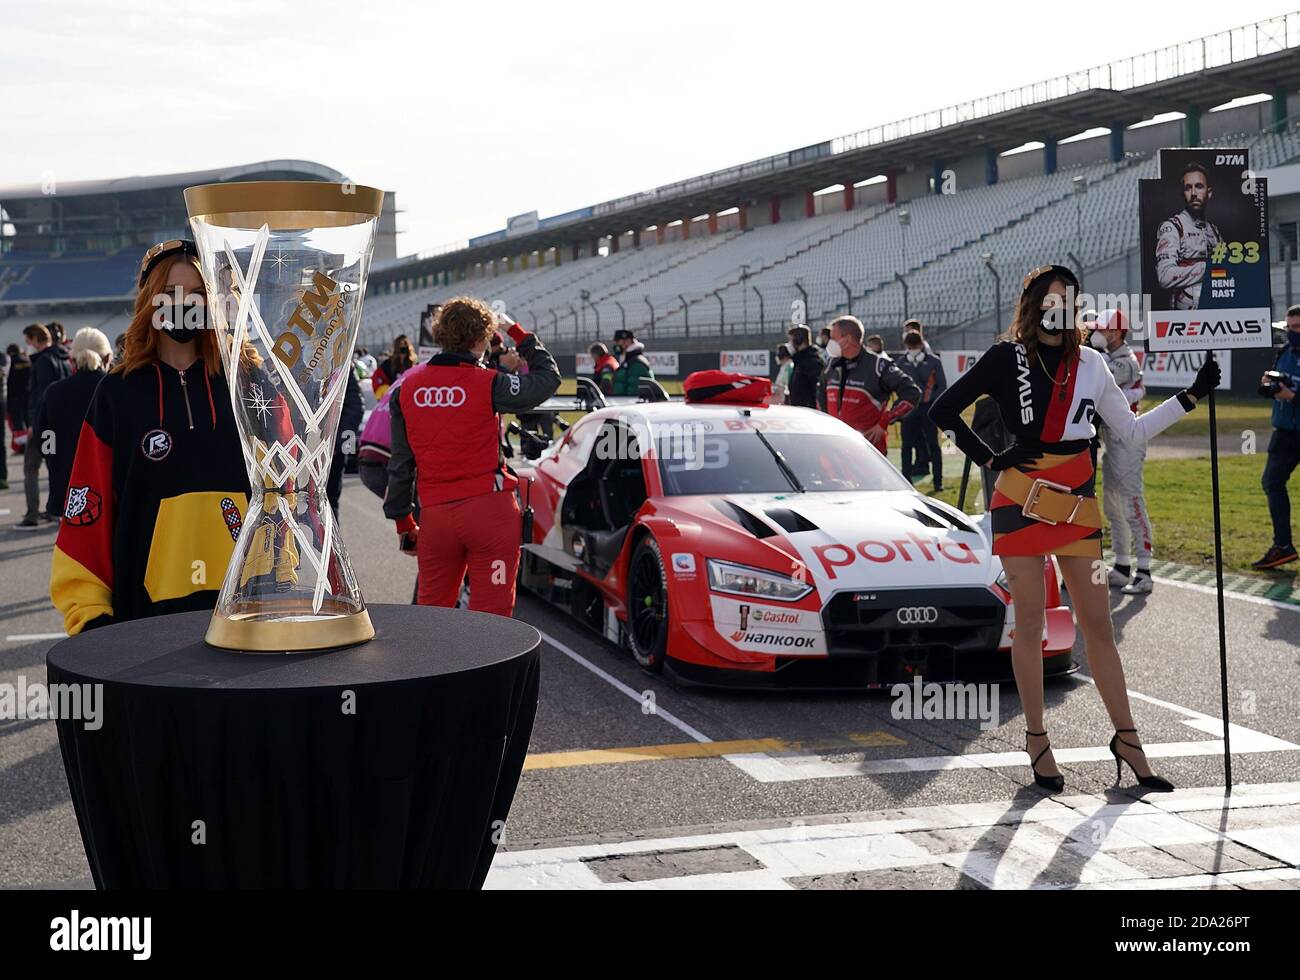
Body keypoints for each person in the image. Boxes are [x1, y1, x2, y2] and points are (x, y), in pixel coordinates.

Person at [929, 264, 1220, 794]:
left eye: (1067, 298)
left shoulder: (1090, 362)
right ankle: (1037, 740)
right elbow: (943, 410)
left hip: (1076, 509)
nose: (1057, 306)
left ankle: (1128, 740)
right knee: (1031, 621)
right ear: (1033, 303)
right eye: (1048, 297)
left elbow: (1129, 432)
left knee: (1098, 627)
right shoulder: (1005, 357)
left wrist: (1190, 397)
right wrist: (991, 454)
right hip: (1019, 501)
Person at [50, 240, 254, 634]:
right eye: (172, 294)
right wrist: (90, 614)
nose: (186, 305)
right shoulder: (116, 393)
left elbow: (282, 494)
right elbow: (86, 506)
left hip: (244, 614)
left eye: (197, 294)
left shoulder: (243, 386)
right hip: (144, 623)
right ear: (151, 301)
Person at [384, 297, 560, 616]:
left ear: (440, 335)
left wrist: (403, 522)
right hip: (490, 511)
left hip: (435, 516)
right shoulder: (488, 383)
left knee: (432, 618)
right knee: (491, 622)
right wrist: (517, 332)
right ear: (481, 338)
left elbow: (400, 464)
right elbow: (547, 380)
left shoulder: (406, 388)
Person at [1089, 309, 1154, 593]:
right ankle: (1122, 566)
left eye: (1100, 329)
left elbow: (1096, 384)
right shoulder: (1113, 359)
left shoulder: (1123, 362)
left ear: (1115, 333)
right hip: (1113, 440)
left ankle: (1145, 571)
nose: (1094, 334)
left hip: (1128, 441)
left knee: (1132, 504)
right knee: (1113, 505)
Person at [39, 328, 112, 524]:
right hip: (111, 487)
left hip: (67, 488)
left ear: (72, 360)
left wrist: (55, 459)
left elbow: (44, 436)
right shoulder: (118, 389)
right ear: (107, 358)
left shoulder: (53, 392)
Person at [818, 315, 920, 454]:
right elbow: (821, 394)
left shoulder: (879, 365)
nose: (830, 343)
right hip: (835, 449)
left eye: (833, 338)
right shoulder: (831, 365)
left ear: (847, 339)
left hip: (868, 452)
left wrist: (883, 423)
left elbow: (912, 393)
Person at [1255, 304, 1300, 569]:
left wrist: (1293, 396)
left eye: (1298, 328)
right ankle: (1283, 546)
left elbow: (1292, 391)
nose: (1293, 332)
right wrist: (1269, 385)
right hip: (1284, 432)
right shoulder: (1283, 352)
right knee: (1272, 482)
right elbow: (1273, 384)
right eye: (1290, 327)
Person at [16, 323, 71, 529]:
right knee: (54, 466)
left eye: (28, 340)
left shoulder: (43, 361)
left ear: (35, 339)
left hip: (44, 425)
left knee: (31, 466)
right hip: (59, 424)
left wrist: (33, 423)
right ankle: (56, 509)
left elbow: (41, 395)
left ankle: (33, 514)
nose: (28, 345)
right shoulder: (63, 357)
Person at [1155, 161, 1222, 311]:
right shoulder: (1173, 227)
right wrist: (1207, 269)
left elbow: (1225, 270)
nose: (1193, 193)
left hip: (1214, 309)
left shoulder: (1214, 231)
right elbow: (1165, 276)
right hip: (1184, 316)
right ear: (1182, 194)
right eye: (1188, 188)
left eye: (1199, 186)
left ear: (1209, 192)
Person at [896, 329, 946, 490]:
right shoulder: (901, 362)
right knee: (906, 446)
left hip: (927, 408)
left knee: (933, 444)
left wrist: (930, 400)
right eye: (910, 347)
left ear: (921, 344)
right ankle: (905, 480)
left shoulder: (934, 361)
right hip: (909, 409)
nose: (912, 349)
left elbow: (941, 386)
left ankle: (938, 481)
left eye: (914, 346)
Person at [326, 367, 364, 523]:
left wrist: (340, 443)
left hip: (334, 450)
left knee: (329, 503)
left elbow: (356, 408)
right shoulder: (296, 359)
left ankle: (331, 546)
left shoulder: (344, 364)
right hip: (299, 450)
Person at [786, 325, 824, 409]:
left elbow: (817, 393)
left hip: (809, 416)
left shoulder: (812, 363)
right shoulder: (799, 362)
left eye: (791, 340)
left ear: (799, 340)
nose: (789, 344)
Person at [371, 333, 416, 399]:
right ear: (396, 348)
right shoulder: (388, 364)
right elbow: (378, 378)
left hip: (409, 397)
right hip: (392, 399)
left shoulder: (413, 364)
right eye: (400, 345)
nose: (403, 348)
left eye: (405, 345)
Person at [611, 328, 653, 396]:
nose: (616, 344)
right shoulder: (628, 360)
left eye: (618, 341)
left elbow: (635, 392)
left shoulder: (636, 363)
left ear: (628, 341)